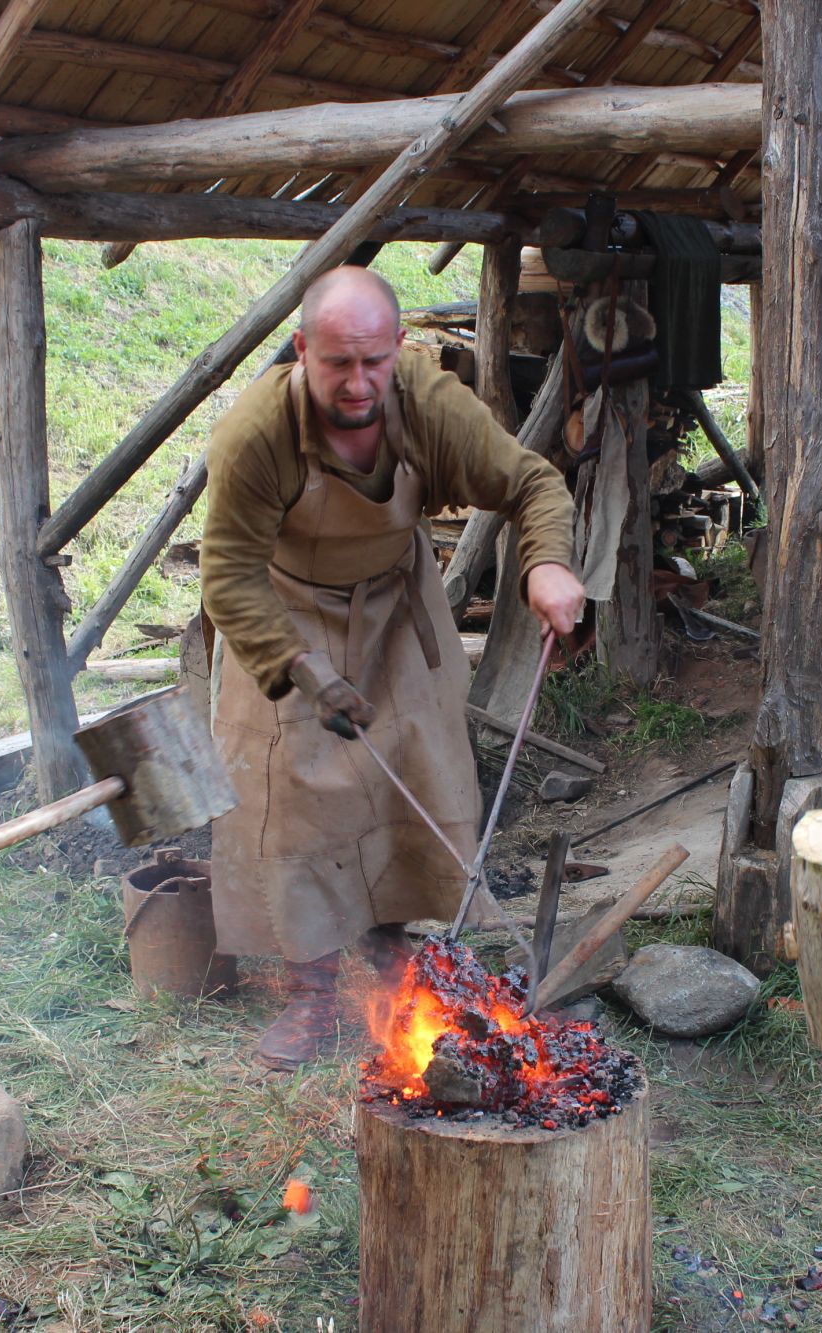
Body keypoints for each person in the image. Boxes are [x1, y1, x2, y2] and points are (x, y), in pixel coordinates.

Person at [197, 267, 583, 1070]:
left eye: (373, 361)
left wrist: (546, 565)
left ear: (398, 347)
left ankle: (392, 959)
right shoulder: (256, 435)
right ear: (302, 350)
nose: (358, 381)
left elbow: (532, 484)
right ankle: (310, 996)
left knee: (416, 770)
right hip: (284, 612)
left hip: (396, 606)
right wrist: (304, 671)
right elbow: (226, 574)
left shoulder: (426, 401)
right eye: (338, 362)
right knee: (295, 799)